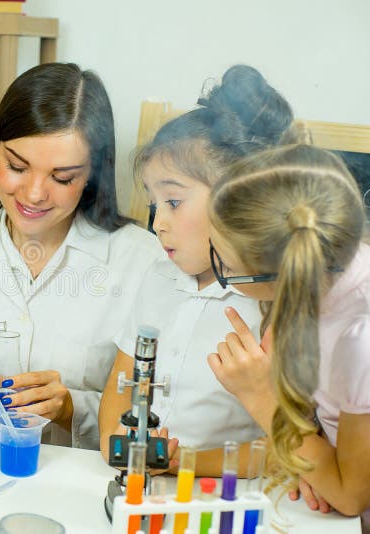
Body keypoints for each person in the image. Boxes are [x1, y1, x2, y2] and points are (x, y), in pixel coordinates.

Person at [0, 62, 163, 449]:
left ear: (92, 175)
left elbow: (157, 416)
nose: (34, 194)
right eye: (17, 167)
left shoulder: (141, 262)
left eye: (62, 177)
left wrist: (72, 407)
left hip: (71, 481)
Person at [98, 65, 293, 475]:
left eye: (173, 202)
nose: (156, 223)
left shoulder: (274, 304)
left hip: (222, 496)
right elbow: (122, 379)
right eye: (154, 204)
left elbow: (289, 447)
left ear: (238, 199)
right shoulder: (157, 277)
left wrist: (180, 464)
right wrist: (118, 442)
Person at [208, 143, 370, 526]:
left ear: (281, 274)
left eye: (225, 264)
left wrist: (259, 394)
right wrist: (316, 466)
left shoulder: (360, 337)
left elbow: (351, 495)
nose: (222, 273)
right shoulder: (323, 278)